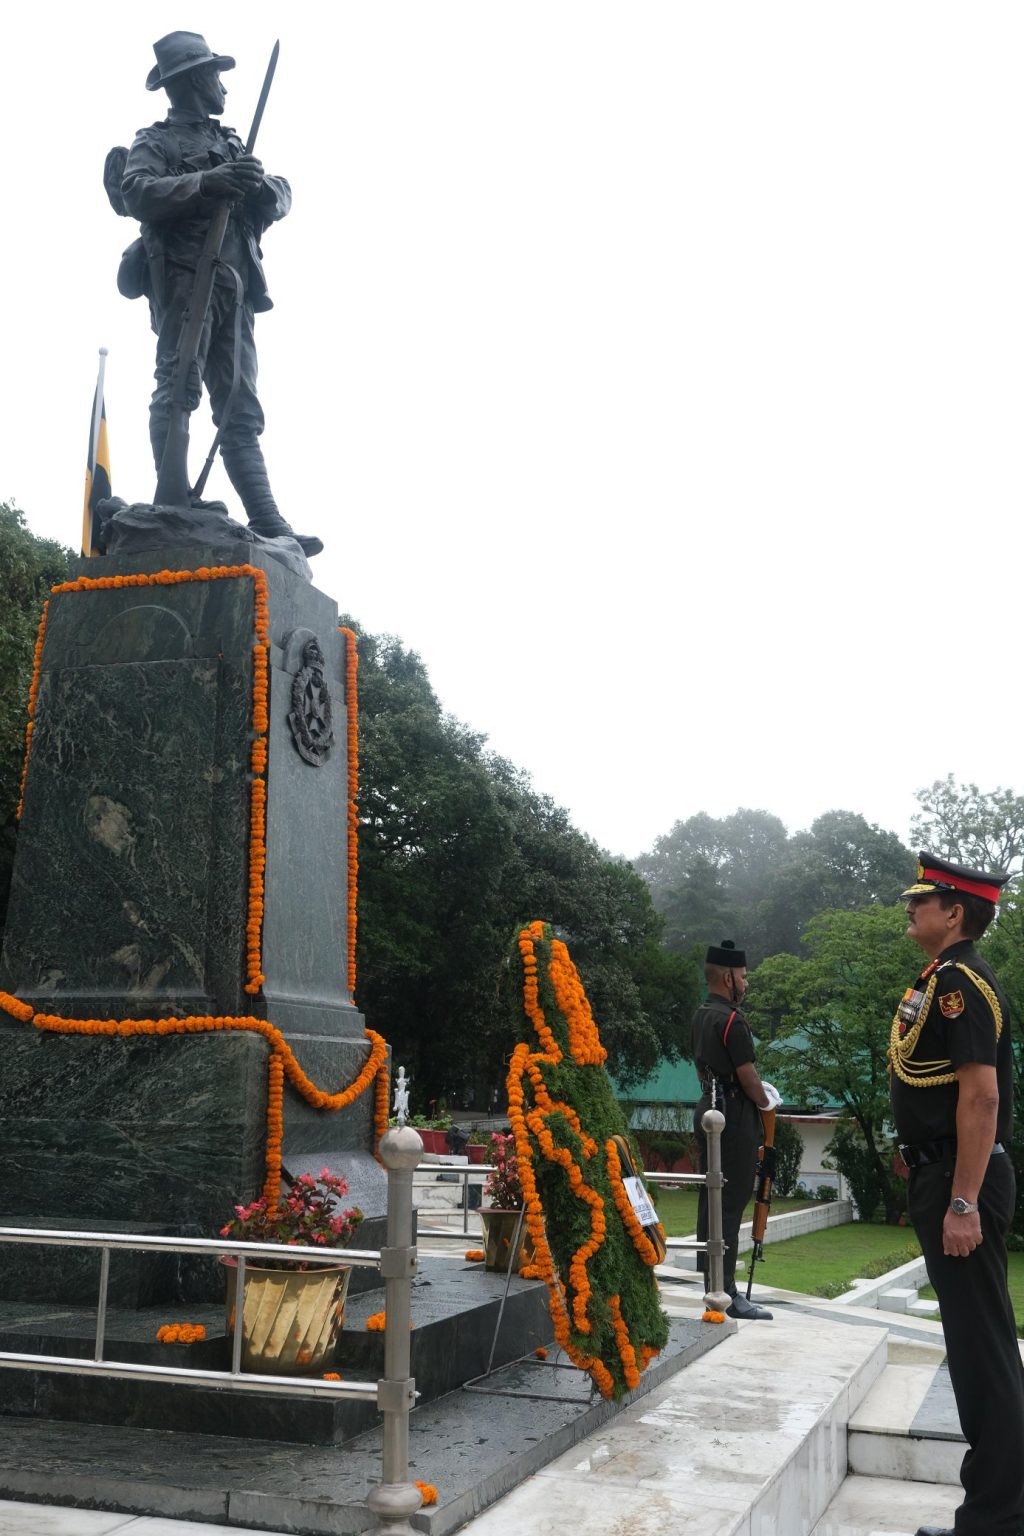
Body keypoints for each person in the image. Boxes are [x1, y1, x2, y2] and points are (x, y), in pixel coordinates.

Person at [120, 32, 322, 557]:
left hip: (235, 282)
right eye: (214, 75)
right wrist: (208, 183)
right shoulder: (157, 141)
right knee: (178, 383)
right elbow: (136, 191)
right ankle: (173, 499)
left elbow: (281, 194)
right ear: (191, 81)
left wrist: (258, 187)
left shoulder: (232, 143)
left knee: (239, 404)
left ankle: (268, 519)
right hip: (186, 276)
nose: (223, 88)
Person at [889, 853, 1022, 1536]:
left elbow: (981, 1094)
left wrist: (963, 1200)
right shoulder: (943, 977)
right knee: (974, 1348)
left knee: (982, 1352)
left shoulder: (961, 984)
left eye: (924, 898)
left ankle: (997, 1522)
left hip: (960, 1183)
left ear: (956, 912)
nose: (911, 906)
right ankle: (994, 1513)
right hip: (941, 1172)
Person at [691, 939, 779, 1320]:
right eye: (743, 977)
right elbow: (748, 1077)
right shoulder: (732, 1020)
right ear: (728, 977)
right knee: (731, 1201)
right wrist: (766, 1102)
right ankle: (725, 1290)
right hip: (733, 1115)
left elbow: (699, 1069)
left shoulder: (700, 1015)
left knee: (712, 1198)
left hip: (707, 1107)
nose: (745, 983)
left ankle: (712, 1281)